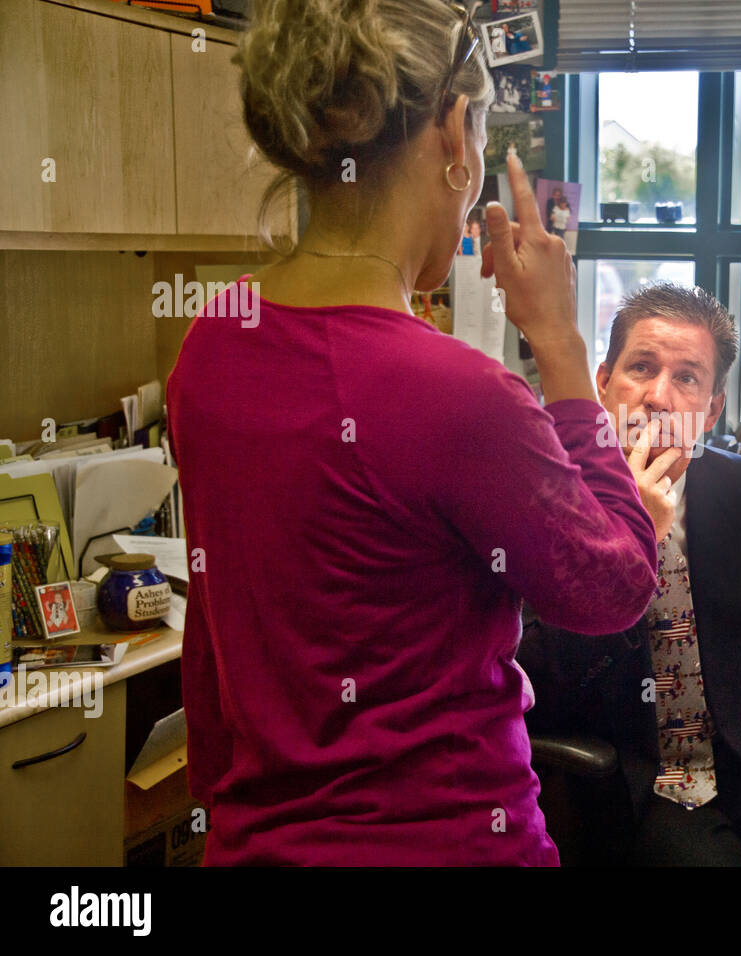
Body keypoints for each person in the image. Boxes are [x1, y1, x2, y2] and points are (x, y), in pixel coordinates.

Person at [166, 0, 663, 866]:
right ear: (451, 131)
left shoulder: (213, 342)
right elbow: (611, 586)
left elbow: (209, 648)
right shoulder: (458, 393)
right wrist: (559, 345)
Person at [518, 284, 741, 866]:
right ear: (601, 383)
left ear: (713, 408)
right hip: (635, 777)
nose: (658, 397)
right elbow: (535, 678)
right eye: (641, 367)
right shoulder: (544, 498)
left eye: (687, 378)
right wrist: (631, 541)